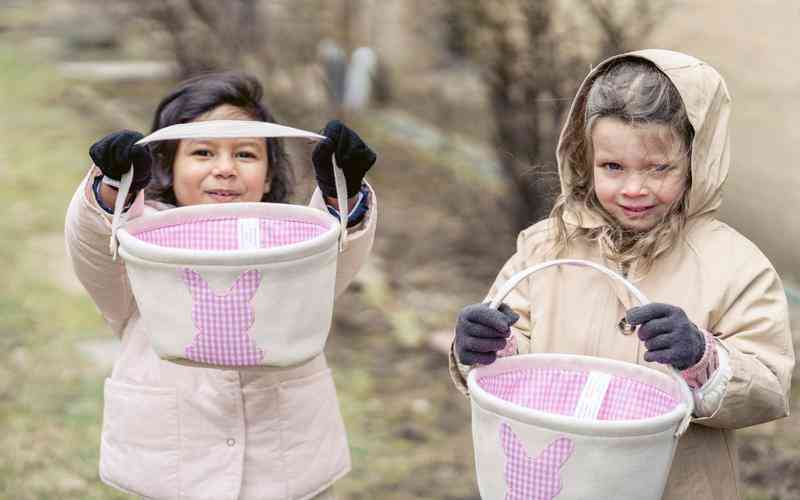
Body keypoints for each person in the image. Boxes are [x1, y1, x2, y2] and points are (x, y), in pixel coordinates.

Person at [450, 49, 794, 499]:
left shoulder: (735, 265)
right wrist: (485, 347)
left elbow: (769, 386)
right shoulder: (545, 247)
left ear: (697, 161)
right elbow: (516, 359)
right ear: (584, 157)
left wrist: (702, 359)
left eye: (659, 168)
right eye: (612, 167)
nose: (634, 189)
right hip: (555, 485)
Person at [65, 71, 377, 500]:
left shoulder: (295, 240)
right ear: (167, 167)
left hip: (284, 463)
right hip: (172, 466)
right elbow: (95, 252)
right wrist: (111, 192)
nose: (225, 169)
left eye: (246, 154)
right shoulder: (138, 241)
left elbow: (335, 258)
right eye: (203, 152)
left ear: (269, 176)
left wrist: (339, 196)